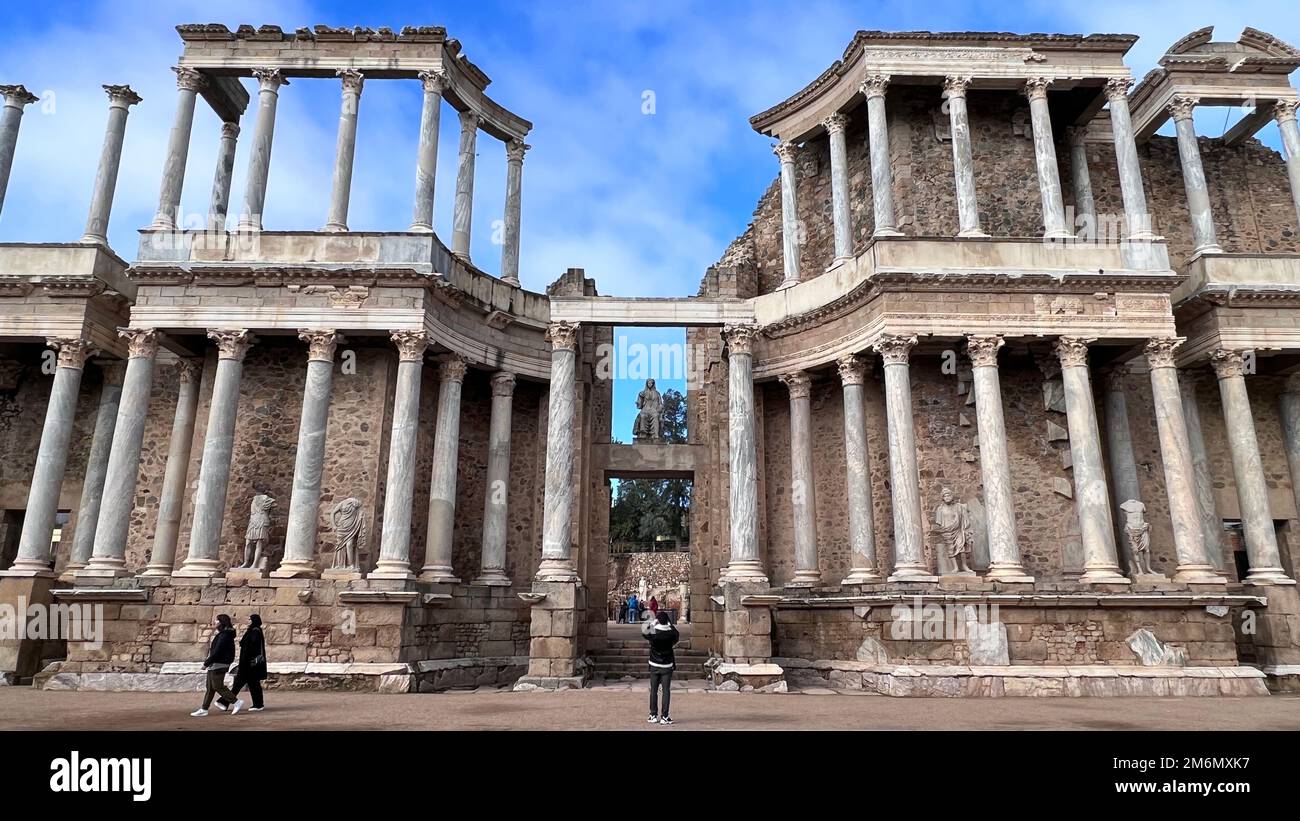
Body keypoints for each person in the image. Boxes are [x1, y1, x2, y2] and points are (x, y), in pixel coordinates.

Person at [191, 614, 243, 717]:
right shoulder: (223, 634)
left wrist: (206, 663)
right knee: (210, 687)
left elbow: (217, 651)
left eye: (217, 620)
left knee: (217, 686)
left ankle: (236, 702)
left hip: (219, 664)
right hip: (215, 663)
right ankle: (204, 709)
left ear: (221, 622)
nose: (214, 622)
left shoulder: (225, 635)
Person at [218, 614, 267, 713]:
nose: (248, 620)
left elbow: (252, 647)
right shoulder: (252, 630)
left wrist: (247, 660)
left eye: (250, 619)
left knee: (245, 684)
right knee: (246, 684)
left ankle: (225, 701)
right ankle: (225, 702)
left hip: (250, 664)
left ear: (254, 620)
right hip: (247, 664)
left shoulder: (255, 631)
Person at [642, 611, 680, 725]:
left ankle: (653, 715)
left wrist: (653, 623)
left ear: (658, 620)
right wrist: (670, 624)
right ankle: (665, 716)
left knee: (653, 690)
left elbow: (645, 632)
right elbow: (676, 635)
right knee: (666, 690)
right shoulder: (671, 634)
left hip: (654, 664)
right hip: (667, 665)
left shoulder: (653, 633)